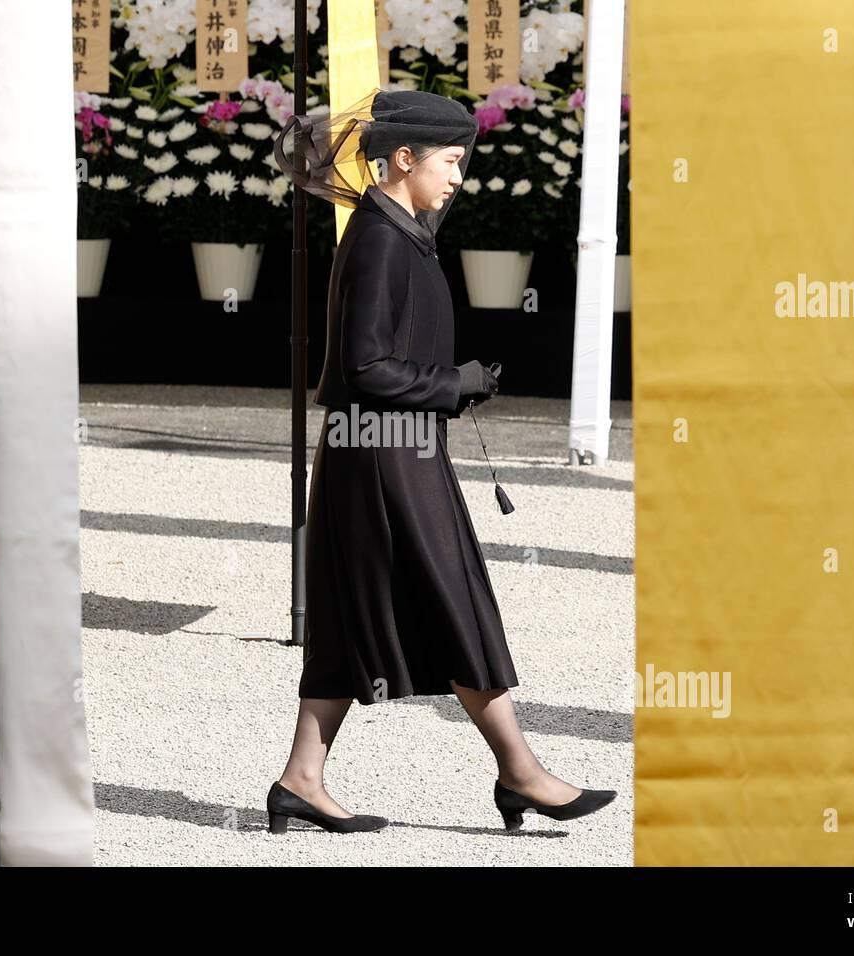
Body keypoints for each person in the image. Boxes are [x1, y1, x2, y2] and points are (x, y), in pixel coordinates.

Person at [266, 89, 616, 834]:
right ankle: (520, 773)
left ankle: (301, 779)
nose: (459, 178)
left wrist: (449, 385)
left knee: (351, 614)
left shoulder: (396, 230)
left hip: (393, 453)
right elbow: (362, 368)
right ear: (404, 160)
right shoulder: (382, 239)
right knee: (456, 603)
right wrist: (455, 383)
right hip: (386, 458)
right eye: (451, 162)